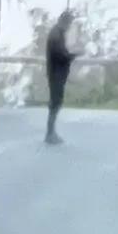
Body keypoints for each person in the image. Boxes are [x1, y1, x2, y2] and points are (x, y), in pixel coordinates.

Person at [42, 7, 76, 142]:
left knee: (56, 102)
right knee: (55, 102)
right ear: (64, 21)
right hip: (56, 73)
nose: (69, 26)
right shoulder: (56, 34)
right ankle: (50, 133)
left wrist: (69, 55)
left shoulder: (58, 33)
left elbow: (62, 53)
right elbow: (60, 55)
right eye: (69, 23)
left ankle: (51, 132)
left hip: (57, 73)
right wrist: (73, 56)